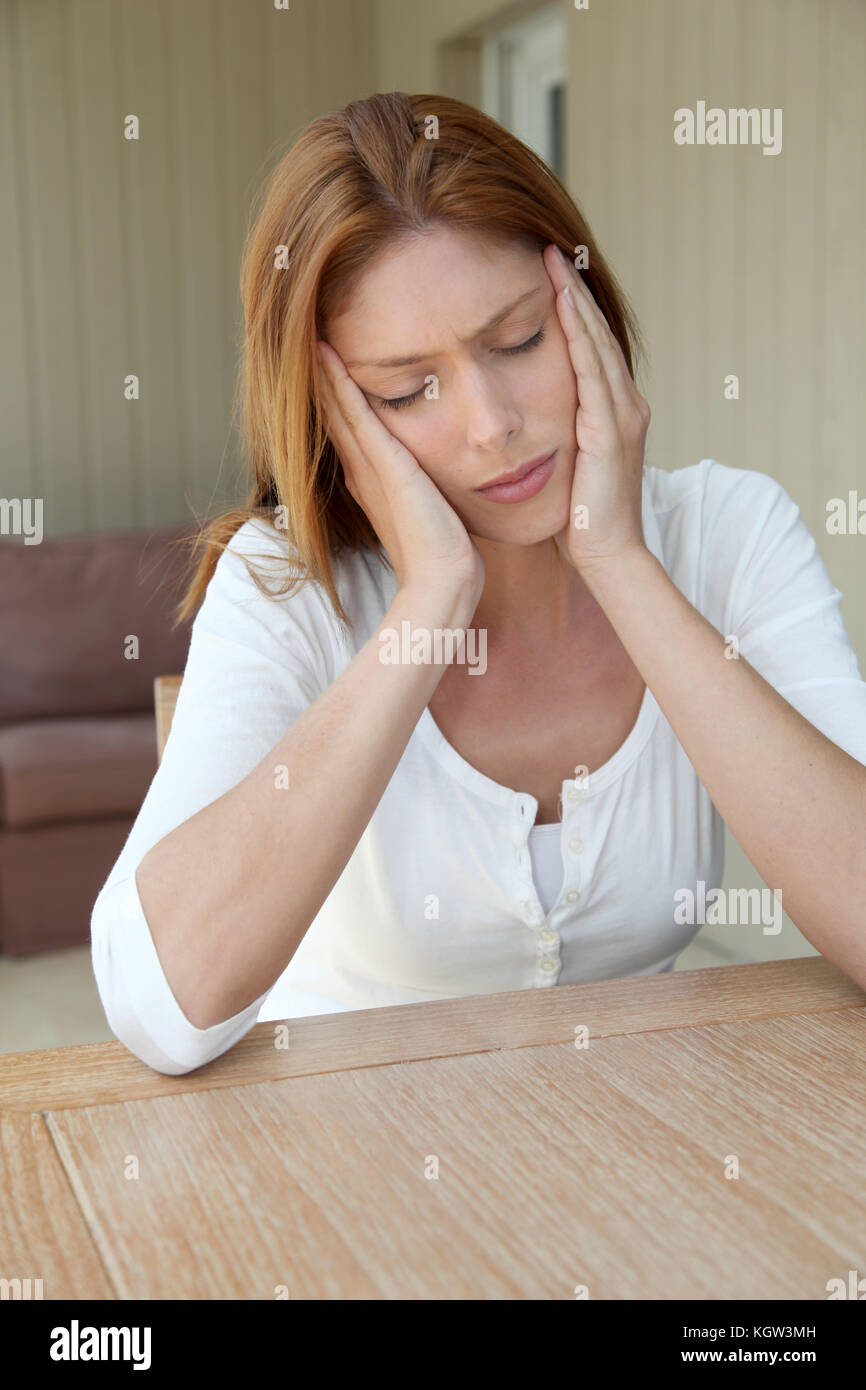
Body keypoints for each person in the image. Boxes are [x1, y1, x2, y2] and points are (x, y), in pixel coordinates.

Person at [90, 91, 866, 1076]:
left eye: (516, 342)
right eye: (408, 390)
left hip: (633, 1157)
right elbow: (162, 1009)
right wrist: (427, 607)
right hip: (344, 1162)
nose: (491, 425)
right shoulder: (283, 588)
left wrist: (620, 562)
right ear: (334, 414)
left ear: (581, 305)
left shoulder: (729, 533)